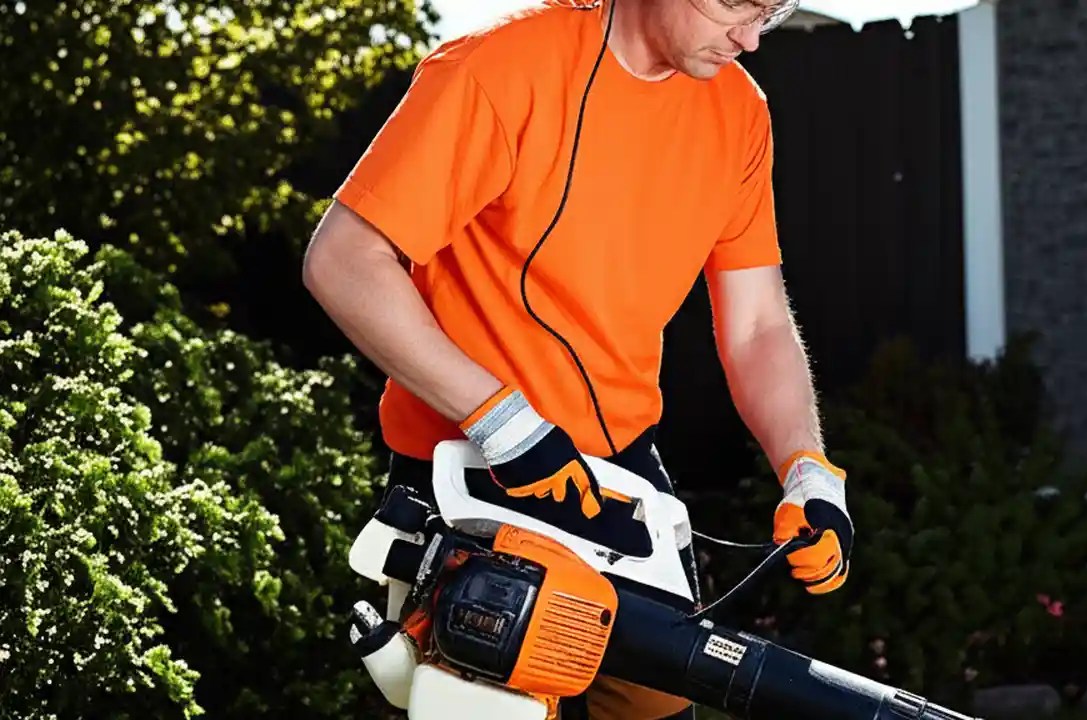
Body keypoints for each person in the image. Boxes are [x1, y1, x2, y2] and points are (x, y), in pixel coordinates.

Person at [302, 0, 854, 717]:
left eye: (769, 15)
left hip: (622, 486)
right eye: (735, 6)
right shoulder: (498, 69)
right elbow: (344, 260)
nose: (750, 40)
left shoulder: (739, 112)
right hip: (472, 472)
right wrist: (503, 424)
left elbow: (758, 325)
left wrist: (806, 469)